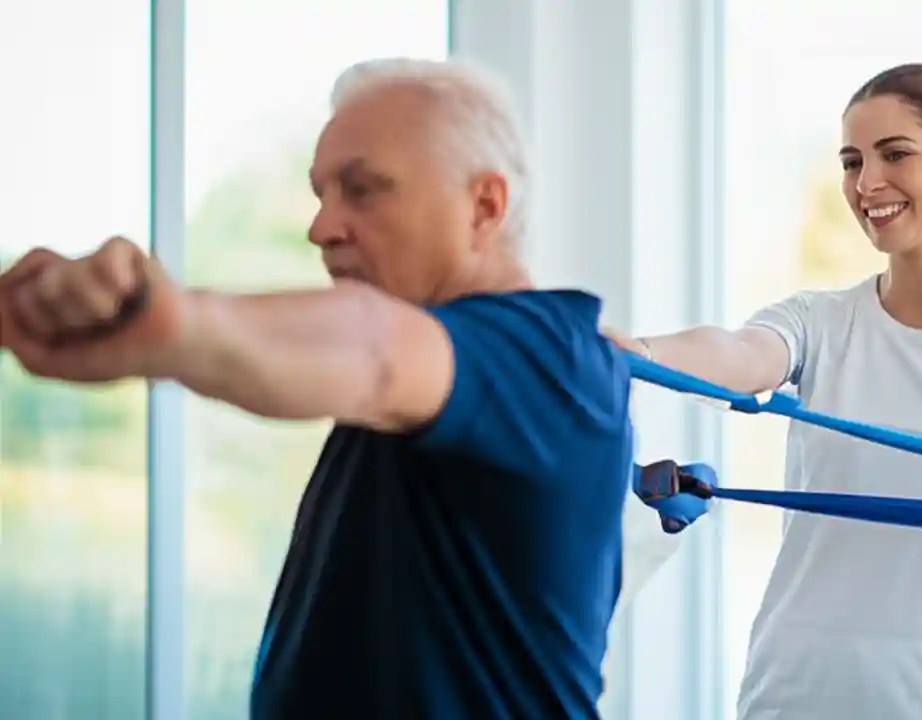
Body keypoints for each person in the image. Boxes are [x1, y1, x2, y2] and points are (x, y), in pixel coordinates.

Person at [0, 58, 680, 719]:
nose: (321, 228)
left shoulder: (543, 354)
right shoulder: (459, 380)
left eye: (364, 189)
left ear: (484, 206)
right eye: (320, 194)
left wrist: (169, 325)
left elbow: (373, 348)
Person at [611, 62, 922, 718]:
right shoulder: (819, 321)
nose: (867, 182)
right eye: (852, 162)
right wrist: (639, 354)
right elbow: (739, 354)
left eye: (894, 154)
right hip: (798, 694)